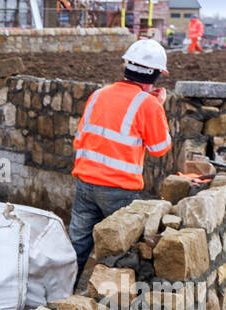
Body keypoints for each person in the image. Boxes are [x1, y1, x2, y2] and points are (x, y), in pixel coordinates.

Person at [68, 38, 173, 279]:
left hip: (85, 183)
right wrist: (158, 107)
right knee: (118, 254)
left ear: (127, 67)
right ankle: (107, 308)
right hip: (119, 190)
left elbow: (79, 138)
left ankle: (61, 298)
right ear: (156, 75)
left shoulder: (98, 95)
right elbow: (160, 148)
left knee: (76, 248)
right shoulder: (149, 104)